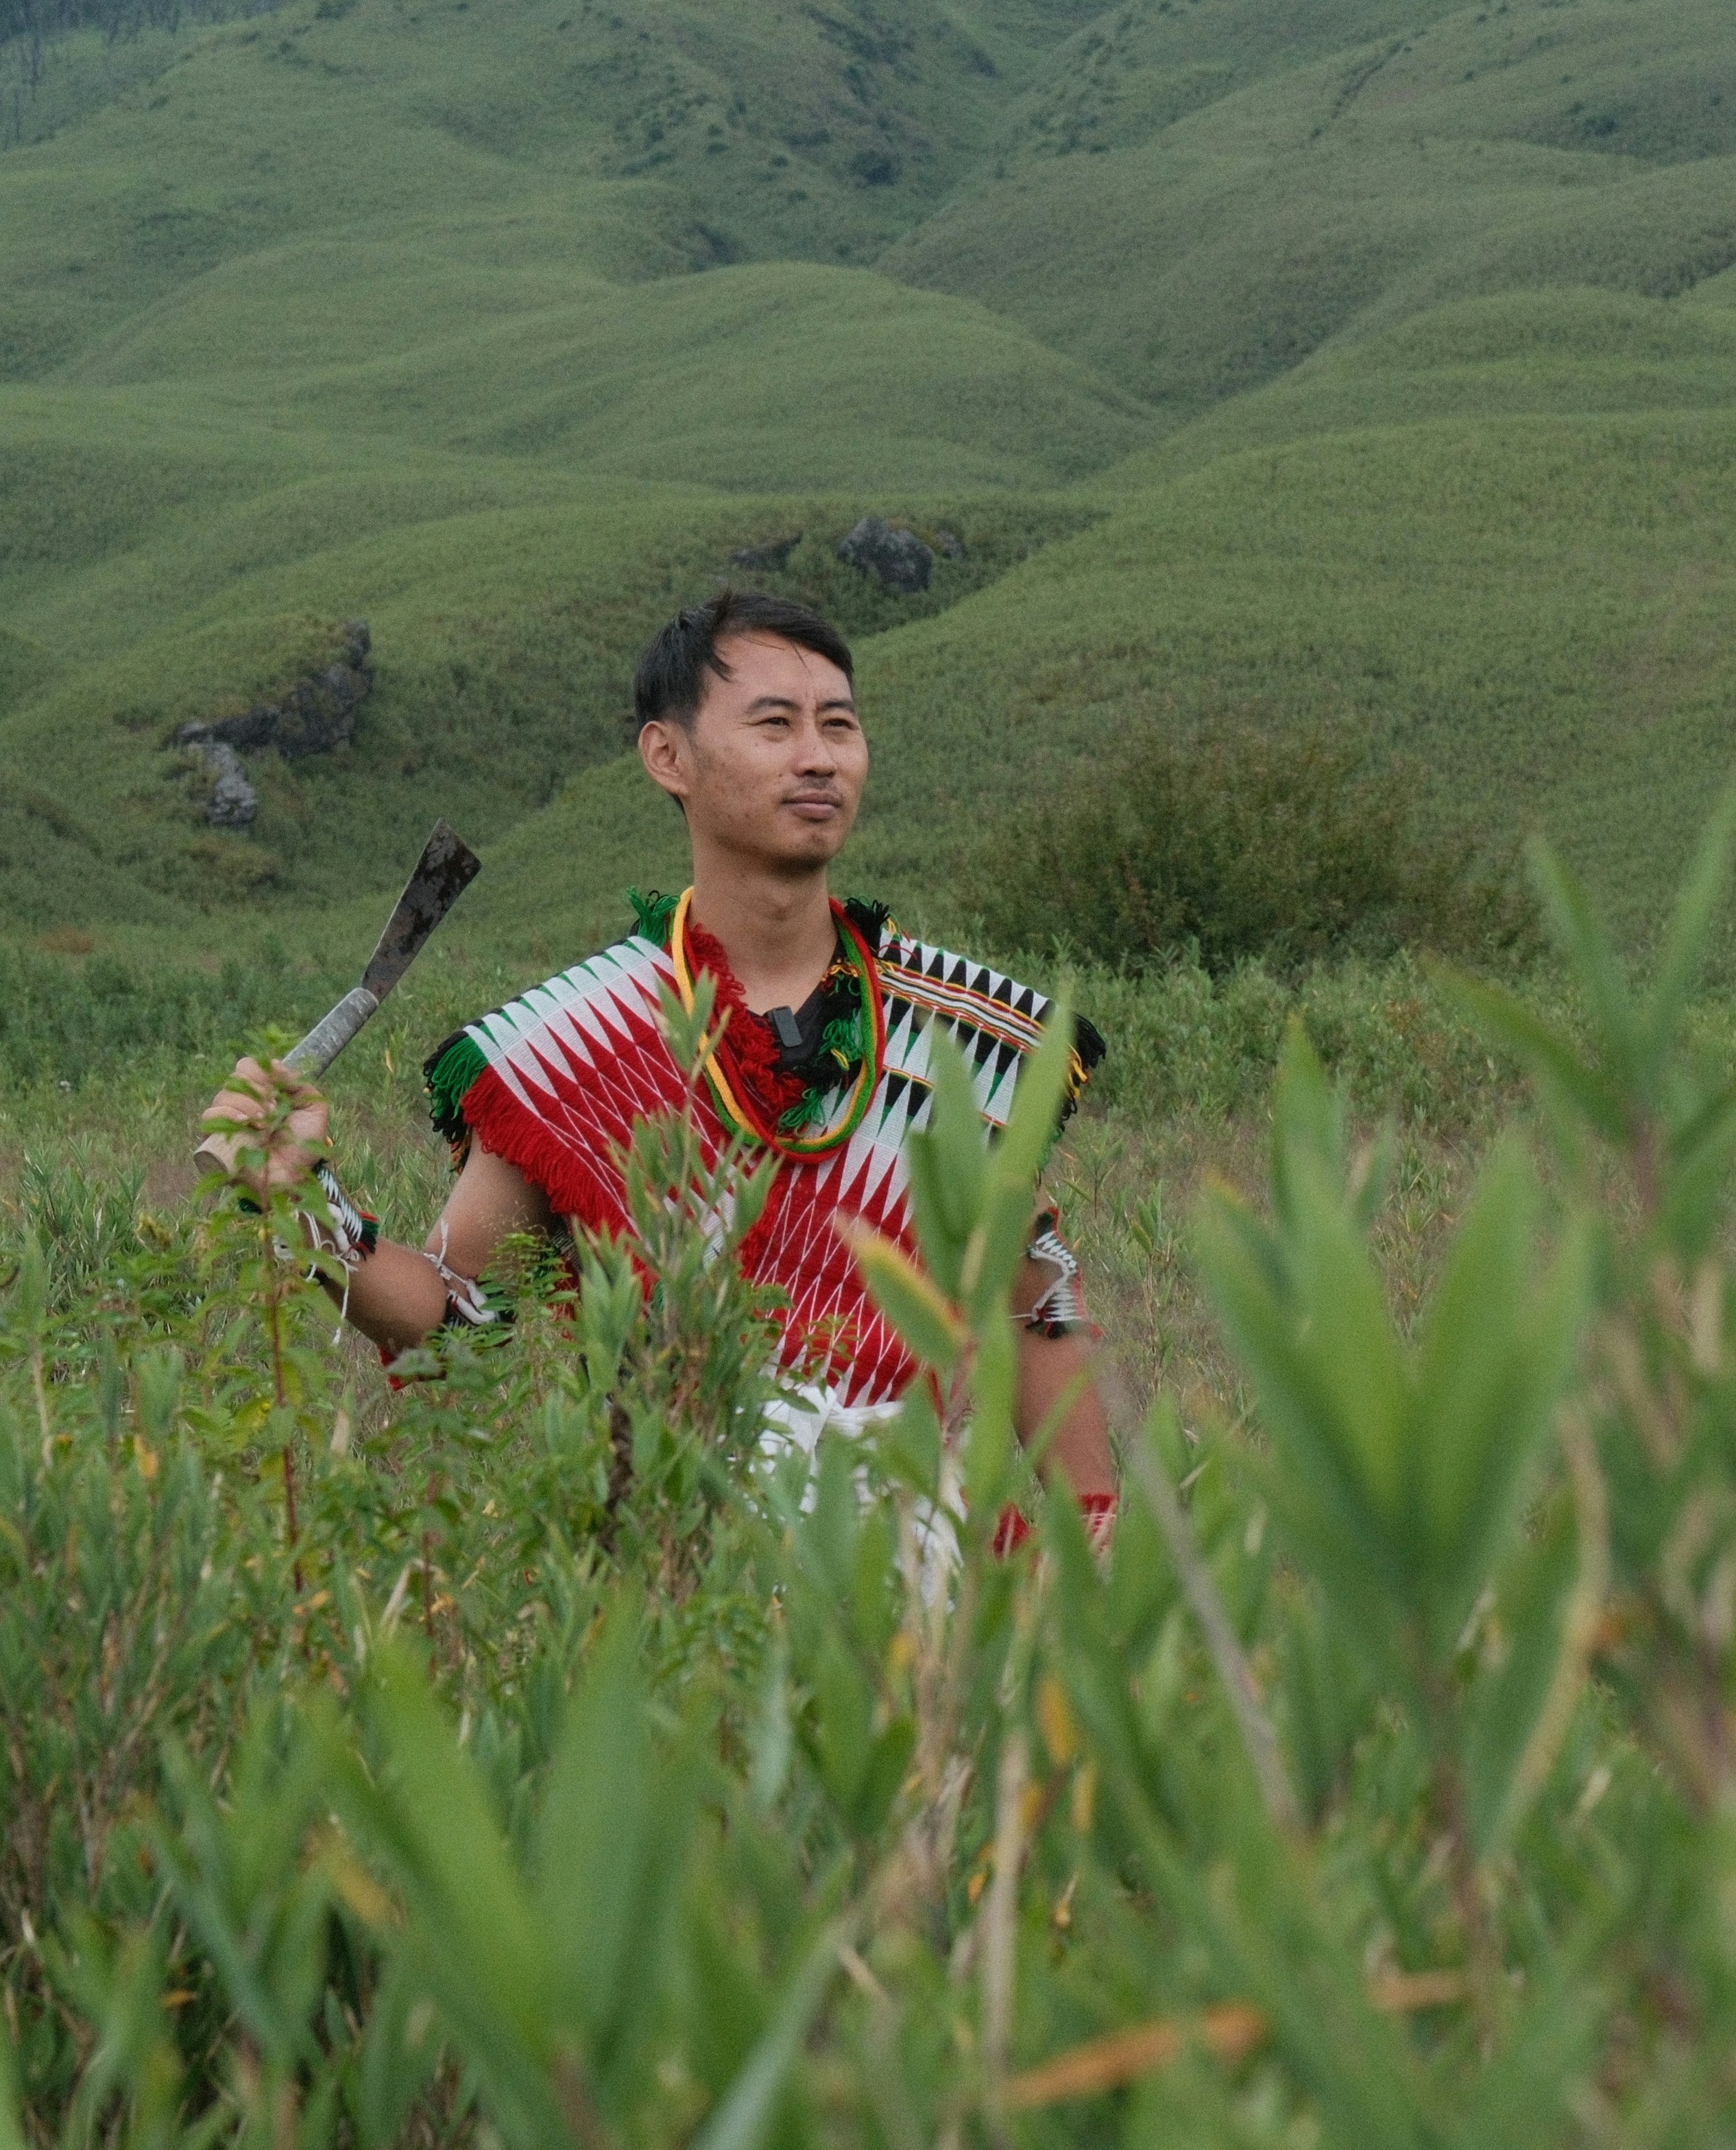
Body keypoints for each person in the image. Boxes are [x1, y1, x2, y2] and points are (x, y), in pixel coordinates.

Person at [199, 589, 1117, 1529]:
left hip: (930, 1571)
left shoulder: (962, 1033)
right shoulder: (566, 1051)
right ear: (667, 756)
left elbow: (1034, 1311)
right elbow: (456, 1319)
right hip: (684, 1569)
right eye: (775, 724)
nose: (818, 756)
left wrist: (1098, 1541)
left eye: (839, 725)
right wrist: (306, 1201)